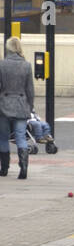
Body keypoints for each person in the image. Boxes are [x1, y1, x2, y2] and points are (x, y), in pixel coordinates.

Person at [1, 37, 35, 179]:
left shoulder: (2, 65)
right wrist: (30, 106)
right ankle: (24, 168)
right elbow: (30, 90)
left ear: (8, 48)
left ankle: (4, 168)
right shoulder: (26, 65)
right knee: (21, 137)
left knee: (3, 137)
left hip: (4, 105)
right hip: (21, 105)